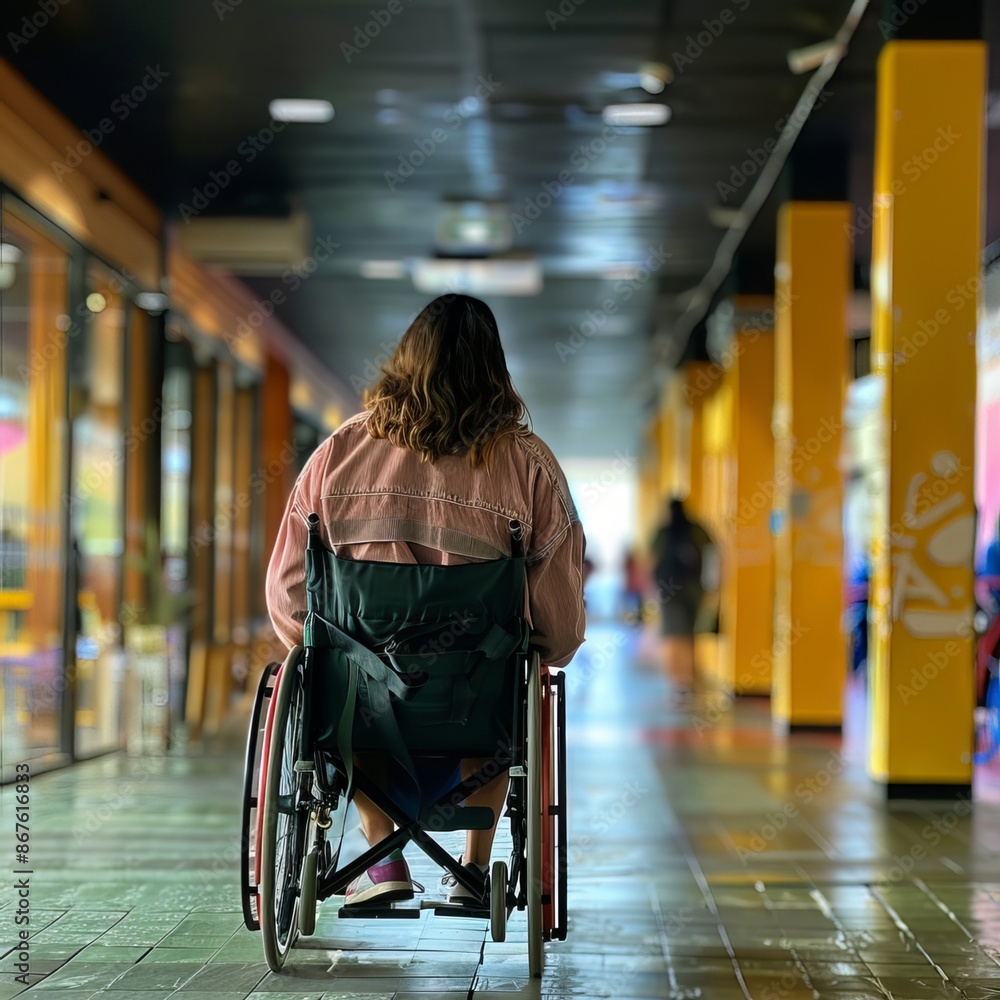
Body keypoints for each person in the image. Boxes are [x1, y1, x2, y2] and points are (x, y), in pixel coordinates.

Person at [266, 294, 586, 907]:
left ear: (402, 363)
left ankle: (382, 859)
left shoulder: (335, 456)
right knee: (503, 687)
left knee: (343, 688)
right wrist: (540, 650)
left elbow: (287, 594)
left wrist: (328, 651)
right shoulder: (529, 466)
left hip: (360, 700)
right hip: (474, 699)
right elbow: (561, 627)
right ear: (495, 370)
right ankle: (471, 869)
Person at [649, 497, 712, 706]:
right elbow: (713, 553)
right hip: (694, 589)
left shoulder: (663, 531)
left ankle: (677, 680)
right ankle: (688, 680)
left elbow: (652, 558)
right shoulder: (698, 530)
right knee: (688, 635)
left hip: (669, 590)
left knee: (673, 635)